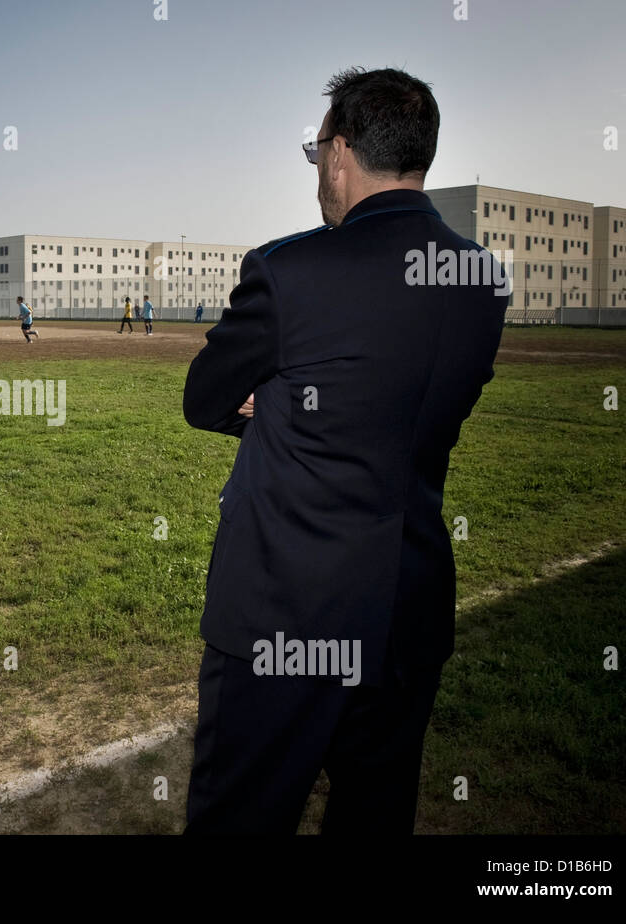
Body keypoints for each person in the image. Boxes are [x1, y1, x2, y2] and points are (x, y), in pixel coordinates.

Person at [182, 67, 508, 836]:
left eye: (316, 153)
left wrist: (278, 406)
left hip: (286, 615)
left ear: (340, 152)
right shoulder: (480, 279)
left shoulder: (288, 268)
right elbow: (396, 408)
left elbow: (205, 399)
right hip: (407, 611)